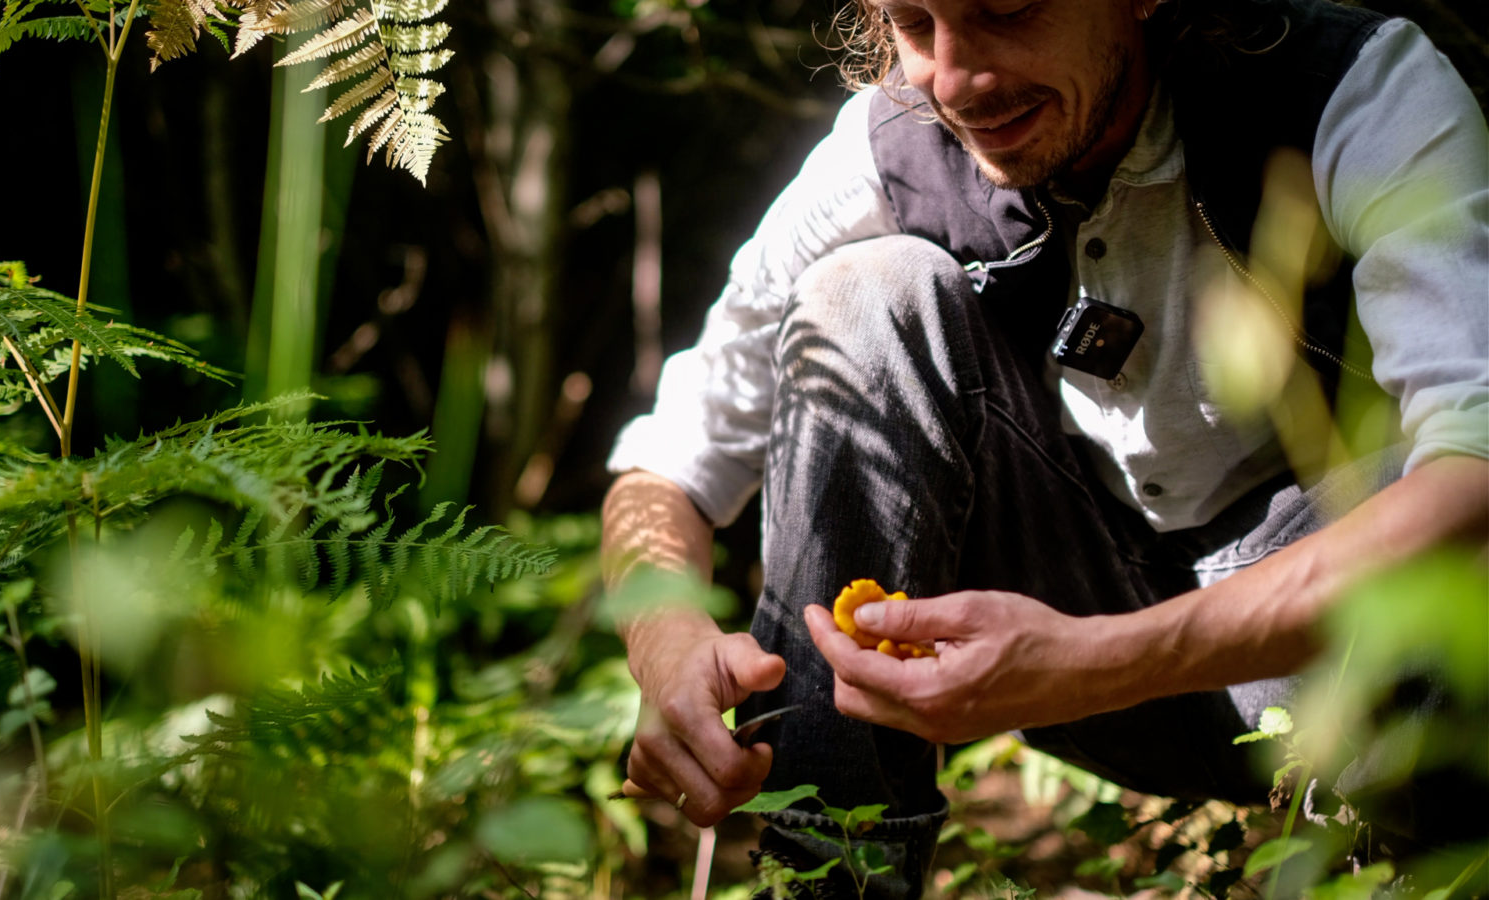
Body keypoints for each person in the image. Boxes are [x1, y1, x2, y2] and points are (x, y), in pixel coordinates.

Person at [601, 0, 1489, 893]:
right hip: (1057, 632)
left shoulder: (1353, 91)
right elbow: (665, 465)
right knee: (864, 297)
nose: (953, 79)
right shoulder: (884, 152)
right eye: (914, 23)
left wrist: (1104, 659)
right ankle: (826, 882)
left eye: (1007, 11)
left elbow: (1476, 473)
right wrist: (664, 643)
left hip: (1342, 666)